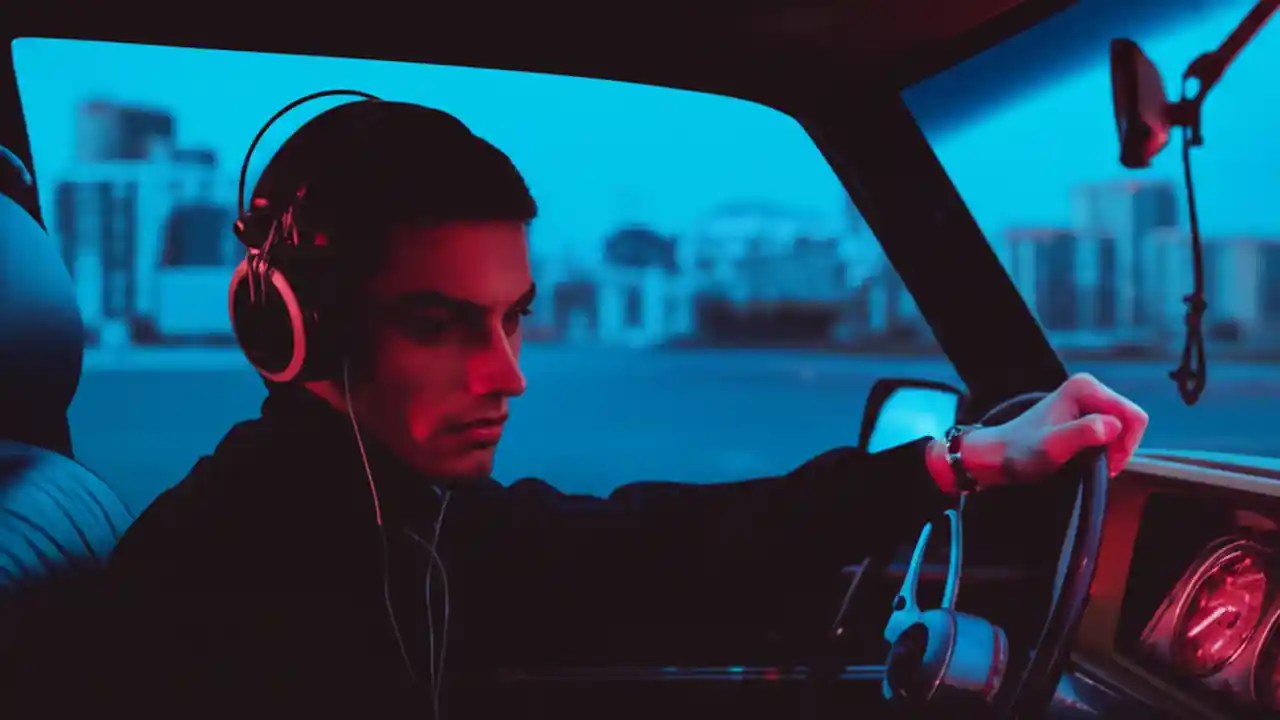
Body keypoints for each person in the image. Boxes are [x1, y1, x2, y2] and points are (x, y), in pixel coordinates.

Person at [91, 99, 1148, 717]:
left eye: (513, 322)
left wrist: (956, 463)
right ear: (296, 328)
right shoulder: (214, 578)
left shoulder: (403, 521)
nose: (505, 375)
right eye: (441, 323)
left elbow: (653, 542)